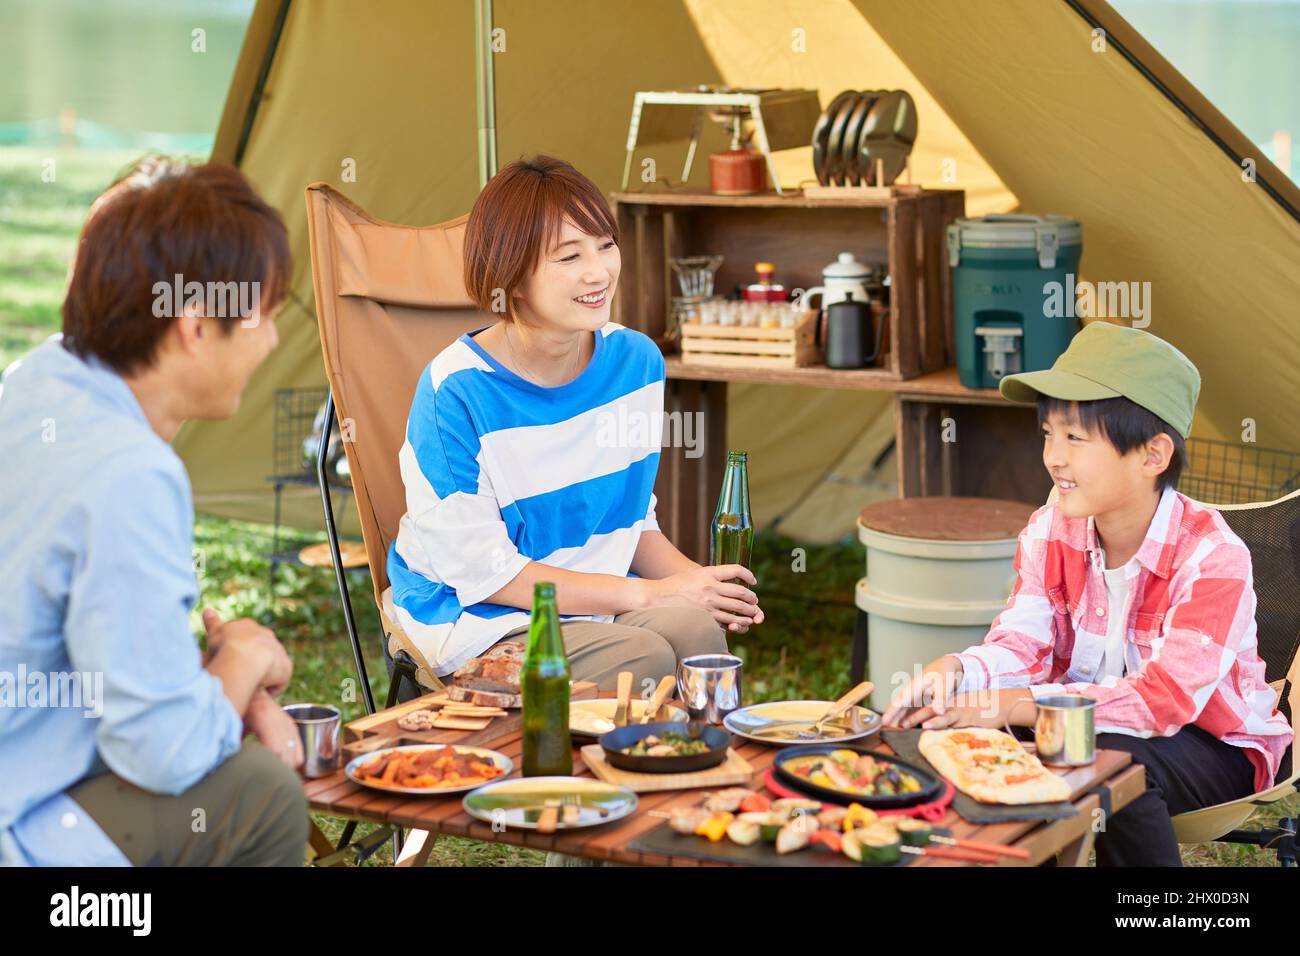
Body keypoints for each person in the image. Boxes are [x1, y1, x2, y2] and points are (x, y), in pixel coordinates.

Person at [881, 321, 1292, 866]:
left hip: (1212, 743)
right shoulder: (1051, 529)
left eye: (1076, 438)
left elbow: (1165, 700)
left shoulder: (1213, 555)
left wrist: (1021, 707)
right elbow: (1024, 647)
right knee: (978, 740)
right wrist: (957, 672)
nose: (1054, 456)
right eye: (1048, 433)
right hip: (1079, 724)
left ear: (1152, 455)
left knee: (1108, 763)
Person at [0, 157, 308, 866]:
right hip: (22, 813)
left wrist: (213, 677)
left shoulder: (39, 381)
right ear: (195, 327)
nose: (271, 340)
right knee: (259, 792)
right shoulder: (128, 473)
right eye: (263, 315)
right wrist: (244, 656)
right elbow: (162, 751)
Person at [386, 155, 764, 694]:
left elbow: (628, 522)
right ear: (510, 275)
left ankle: (705, 773)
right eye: (569, 256)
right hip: (480, 620)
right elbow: (485, 574)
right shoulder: (456, 393)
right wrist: (649, 596)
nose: (598, 272)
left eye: (605, 245)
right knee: (644, 657)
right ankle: (593, 777)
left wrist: (697, 584)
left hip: (596, 602)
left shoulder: (635, 363)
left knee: (694, 629)